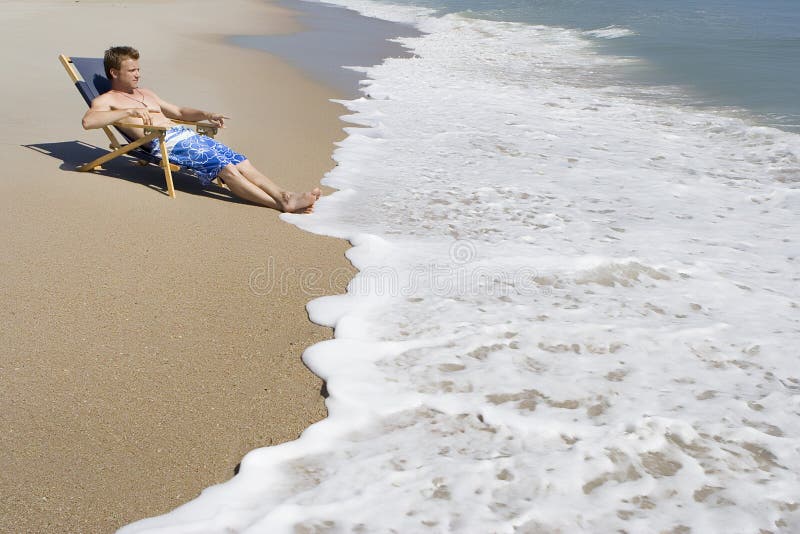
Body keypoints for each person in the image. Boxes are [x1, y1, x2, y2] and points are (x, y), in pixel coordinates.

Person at [81, 46, 320, 212]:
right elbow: (88, 122)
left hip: (186, 135)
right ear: (114, 72)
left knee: (240, 161)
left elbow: (180, 113)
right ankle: (278, 205)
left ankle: (283, 195)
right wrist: (127, 113)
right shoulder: (108, 100)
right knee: (225, 168)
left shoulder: (147, 93)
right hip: (166, 143)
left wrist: (207, 114)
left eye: (138, 69)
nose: (138, 74)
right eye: (132, 70)